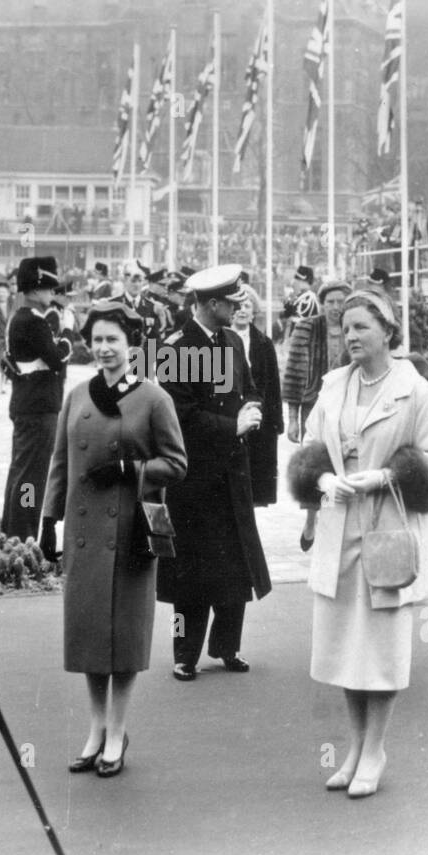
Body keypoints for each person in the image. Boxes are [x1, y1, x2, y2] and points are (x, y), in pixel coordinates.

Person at [286, 289, 428, 797]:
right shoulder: (334, 386)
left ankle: (375, 749)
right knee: (343, 647)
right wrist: (320, 481)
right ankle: (354, 746)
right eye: (345, 328)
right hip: (341, 525)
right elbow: (309, 451)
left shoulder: (414, 389)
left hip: (388, 528)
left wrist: (384, 477)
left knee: (380, 647)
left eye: (361, 327)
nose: (350, 336)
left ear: (387, 331)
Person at [40, 302, 187, 777]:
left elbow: (177, 462)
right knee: (87, 633)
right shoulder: (78, 395)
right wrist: (47, 519)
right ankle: (95, 728)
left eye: (113, 341)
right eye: (97, 340)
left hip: (132, 529)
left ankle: (118, 731)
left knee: (123, 633)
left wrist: (132, 468)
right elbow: (60, 462)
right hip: (84, 532)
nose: (104, 349)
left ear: (132, 345)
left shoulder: (152, 397)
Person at [157, 264, 271, 680]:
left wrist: (252, 409)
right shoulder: (176, 348)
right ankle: (184, 655)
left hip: (231, 474)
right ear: (209, 304)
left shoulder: (233, 343)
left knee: (233, 569)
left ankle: (227, 647)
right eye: (230, 302)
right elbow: (180, 417)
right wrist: (232, 426)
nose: (238, 307)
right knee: (190, 575)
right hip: (193, 479)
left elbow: (251, 387)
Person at [1, 257, 72, 540]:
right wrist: (66, 330)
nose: (52, 295)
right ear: (34, 289)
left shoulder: (23, 318)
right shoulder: (32, 321)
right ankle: (24, 535)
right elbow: (57, 359)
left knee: (22, 472)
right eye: (49, 289)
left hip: (30, 404)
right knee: (31, 477)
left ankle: (13, 531)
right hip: (38, 407)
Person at [229, 285, 284, 506]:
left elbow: (273, 385)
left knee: (255, 477)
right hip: (231, 415)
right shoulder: (221, 339)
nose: (243, 310)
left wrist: (276, 421)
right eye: (239, 306)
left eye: (247, 306)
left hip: (259, 418)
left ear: (254, 311)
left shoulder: (264, 343)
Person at [283, 279, 351, 444]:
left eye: (340, 302)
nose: (335, 307)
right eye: (330, 302)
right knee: (313, 458)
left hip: (348, 405)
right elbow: (294, 376)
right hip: (313, 405)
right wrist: (293, 420)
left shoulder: (354, 327)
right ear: (323, 304)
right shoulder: (307, 328)